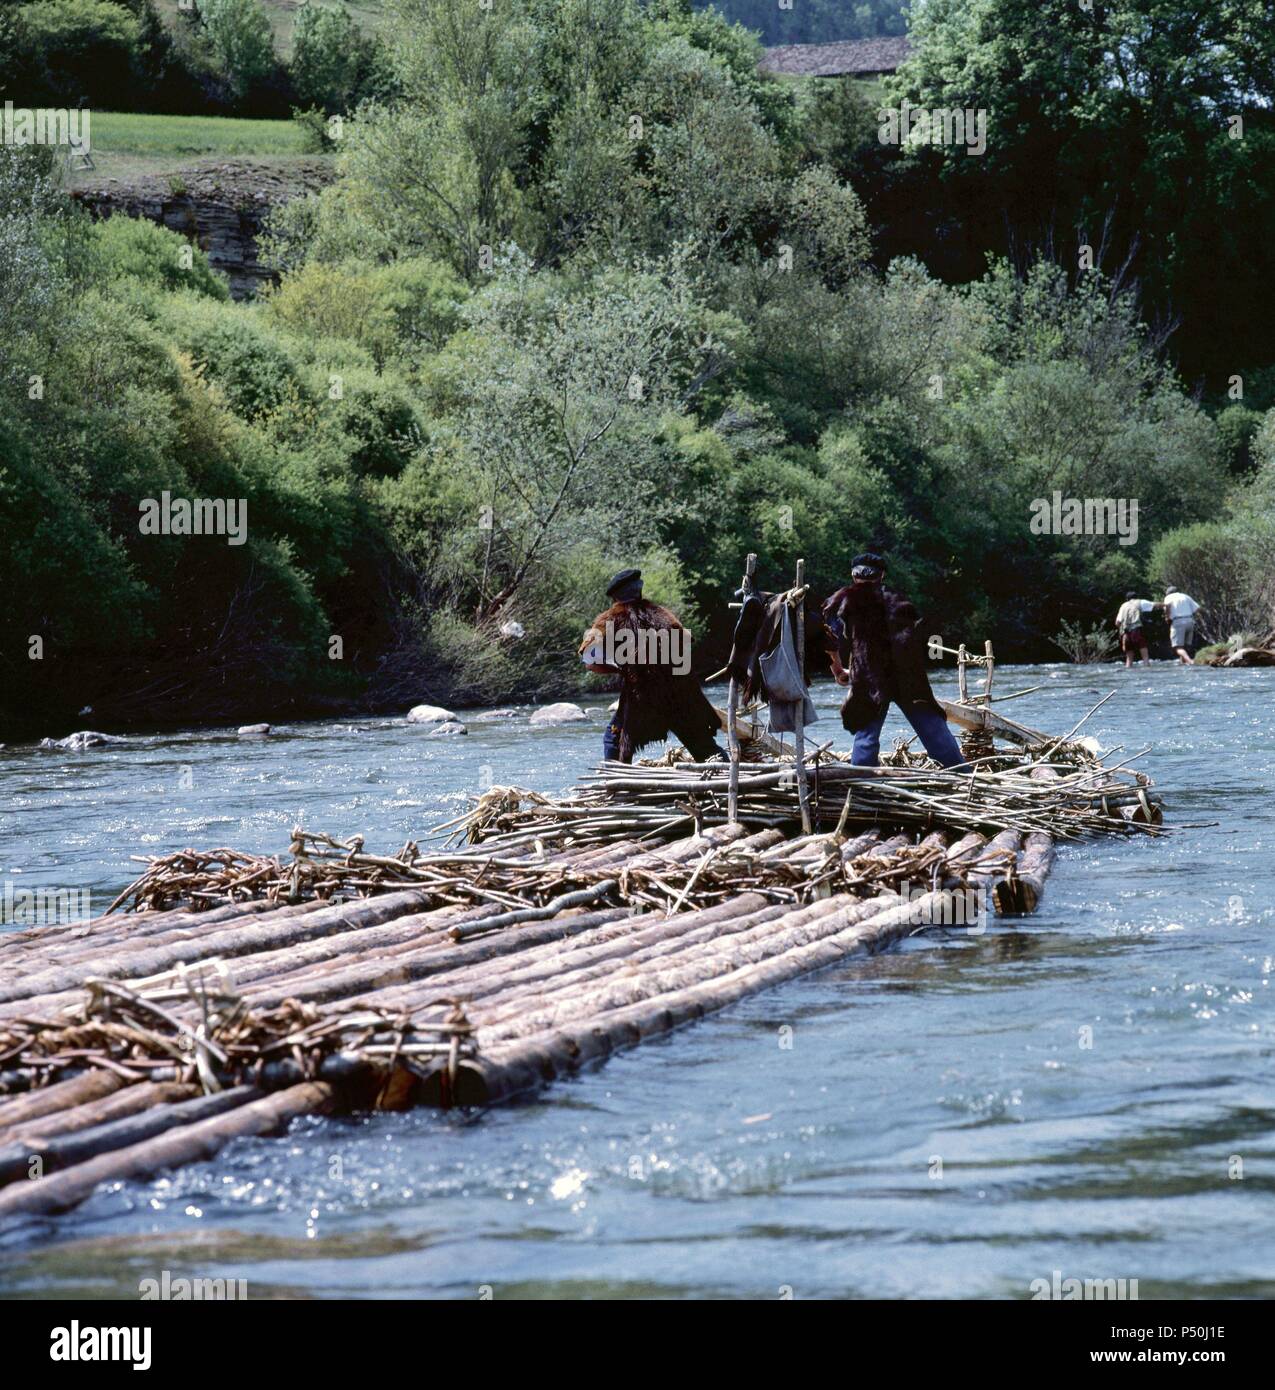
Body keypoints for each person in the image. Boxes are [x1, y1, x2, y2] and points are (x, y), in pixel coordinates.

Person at [822, 553, 966, 769]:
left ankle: (862, 782)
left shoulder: (842, 600)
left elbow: (828, 639)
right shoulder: (899, 601)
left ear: (854, 576)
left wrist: (838, 670)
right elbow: (916, 637)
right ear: (882, 576)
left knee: (866, 730)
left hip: (871, 676)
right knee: (931, 726)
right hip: (908, 675)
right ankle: (961, 774)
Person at [580, 568, 725, 763]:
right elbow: (687, 641)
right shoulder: (663, 615)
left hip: (642, 697)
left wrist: (621, 667)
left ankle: (617, 783)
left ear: (615, 597)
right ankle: (728, 777)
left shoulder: (609, 620)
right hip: (680, 693)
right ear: (639, 590)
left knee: (614, 740)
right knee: (703, 745)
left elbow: (589, 661)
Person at [1115, 591, 1155, 667]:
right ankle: (1147, 668)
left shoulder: (1123, 606)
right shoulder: (1140, 602)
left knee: (1129, 660)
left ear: (1127, 599)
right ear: (1136, 597)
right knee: (1145, 657)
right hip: (1137, 630)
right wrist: (1165, 605)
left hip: (1126, 633)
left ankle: (1129, 673)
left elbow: (1117, 623)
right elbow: (1154, 605)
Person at [1162, 586, 1201, 665]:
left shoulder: (1168, 597)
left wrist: (1167, 617)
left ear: (1168, 593)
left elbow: (1167, 608)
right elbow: (1197, 608)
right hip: (1190, 620)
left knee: (1178, 647)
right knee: (1186, 646)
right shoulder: (1186, 596)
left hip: (1178, 621)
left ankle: (1190, 661)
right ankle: (1182, 663)